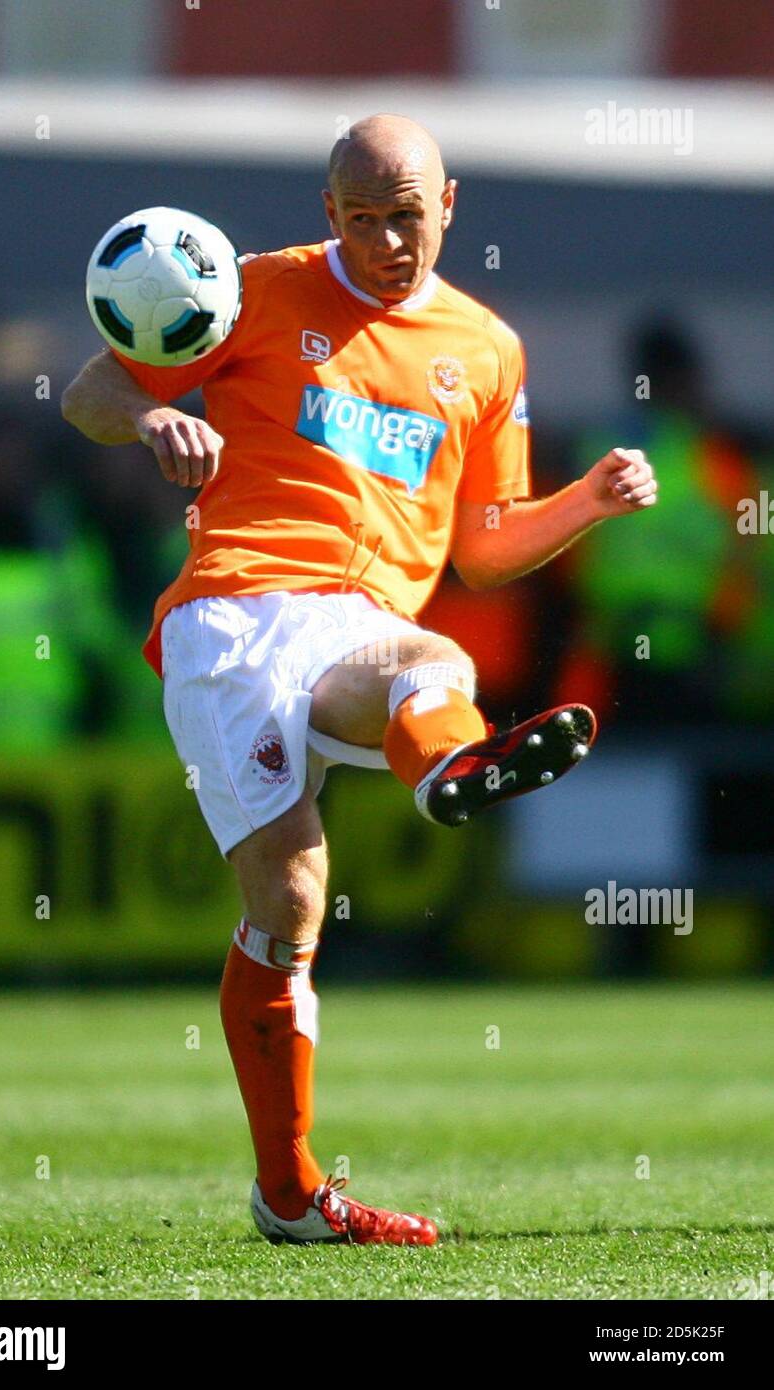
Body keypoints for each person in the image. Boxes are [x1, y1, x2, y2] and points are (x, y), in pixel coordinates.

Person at [62, 114, 657, 1246]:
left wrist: (585, 500)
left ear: (450, 205)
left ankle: (450, 768)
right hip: (231, 612)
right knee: (291, 903)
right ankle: (288, 1193)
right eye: (364, 219)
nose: (388, 241)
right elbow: (87, 391)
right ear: (329, 213)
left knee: (435, 659)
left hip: (358, 625)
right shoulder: (250, 289)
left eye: (408, 216)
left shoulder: (486, 350)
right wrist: (152, 417)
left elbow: (482, 546)